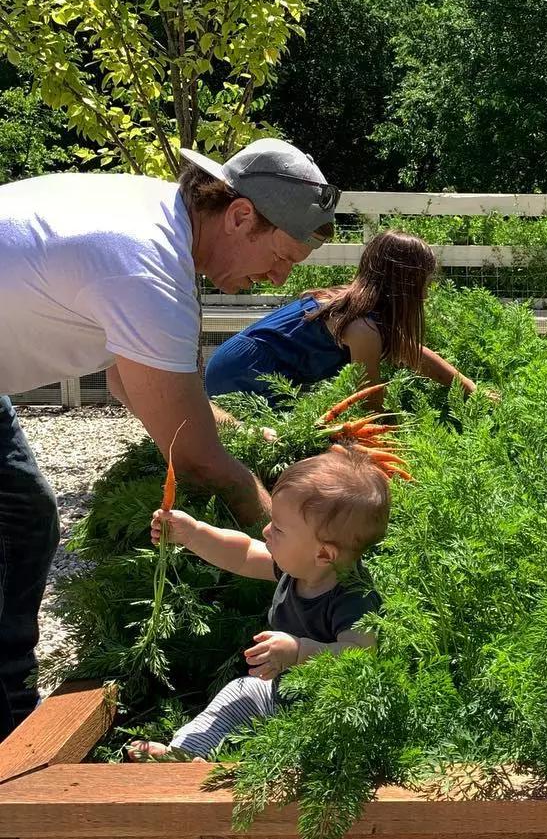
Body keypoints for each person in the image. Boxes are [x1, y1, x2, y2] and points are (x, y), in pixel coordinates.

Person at [0, 137, 337, 739]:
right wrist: (295, 559)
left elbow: (130, 383)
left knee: (21, 517)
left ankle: (8, 710)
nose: (279, 278)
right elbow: (200, 461)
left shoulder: (152, 217)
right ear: (239, 215)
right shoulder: (148, 266)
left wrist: (252, 433)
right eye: (281, 256)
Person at [126, 443, 389, 761]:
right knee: (239, 692)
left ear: (323, 554)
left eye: (278, 528)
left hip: (331, 714)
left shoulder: (354, 599)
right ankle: (182, 753)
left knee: (314, 754)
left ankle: (246, 769)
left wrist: (299, 651)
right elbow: (242, 553)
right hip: (280, 696)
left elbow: (358, 655)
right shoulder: (298, 567)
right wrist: (193, 534)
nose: (265, 530)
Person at [204, 230, 480, 406]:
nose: (428, 289)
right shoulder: (362, 328)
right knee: (277, 449)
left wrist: (471, 390)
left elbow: (412, 353)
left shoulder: (356, 306)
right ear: (406, 284)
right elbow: (369, 400)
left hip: (235, 359)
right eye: (425, 281)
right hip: (246, 370)